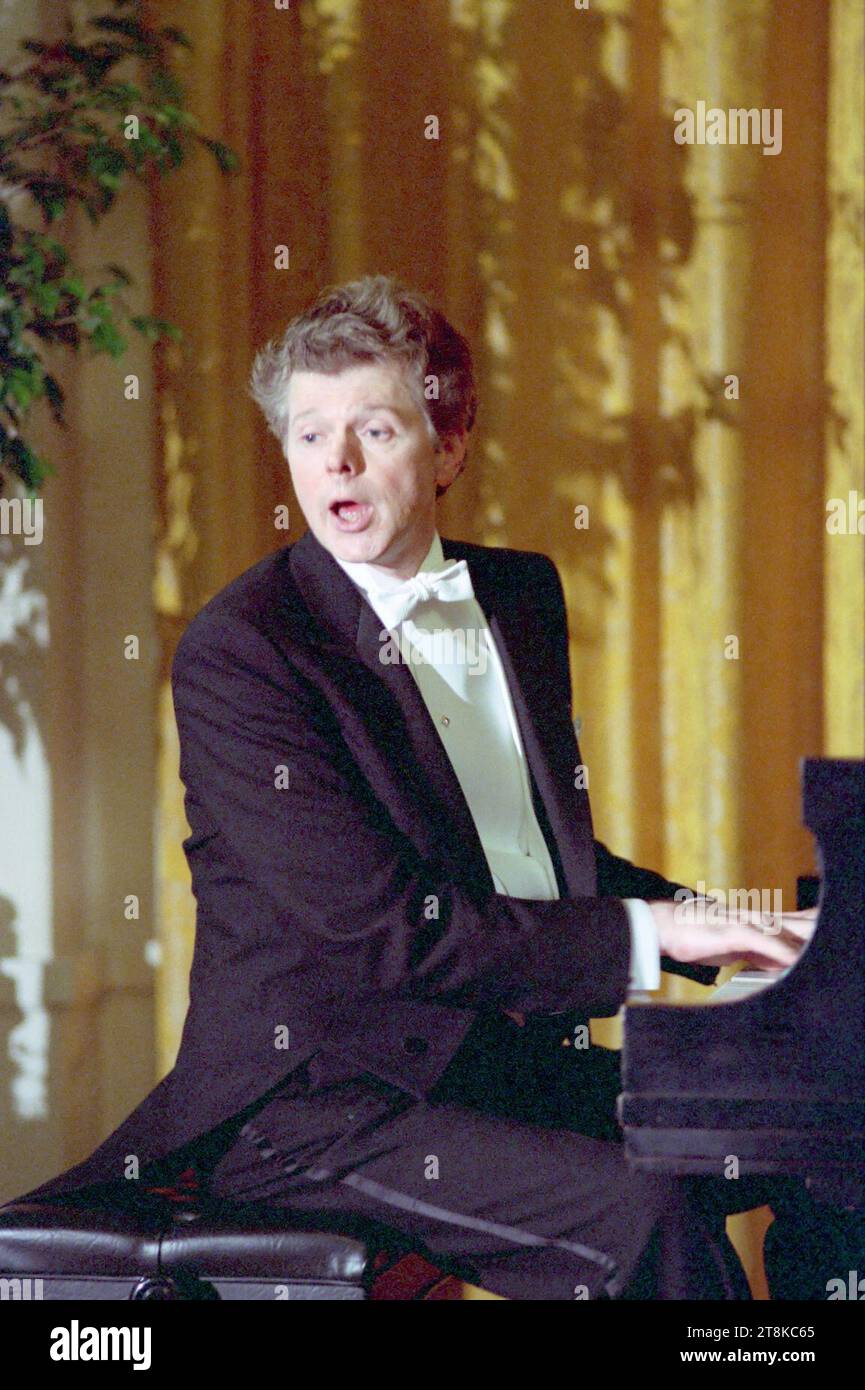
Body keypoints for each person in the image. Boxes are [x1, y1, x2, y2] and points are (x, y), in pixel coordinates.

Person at [14, 274, 815, 1300]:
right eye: (309, 434)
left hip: (480, 1065)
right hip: (316, 1104)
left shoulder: (516, 596)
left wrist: (729, 930)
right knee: (640, 1210)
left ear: (448, 444)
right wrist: (654, 941)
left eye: (375, 429)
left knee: (795, 1118)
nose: (335, 463)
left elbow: (524, 852)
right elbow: (391, 926)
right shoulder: (246, 651)